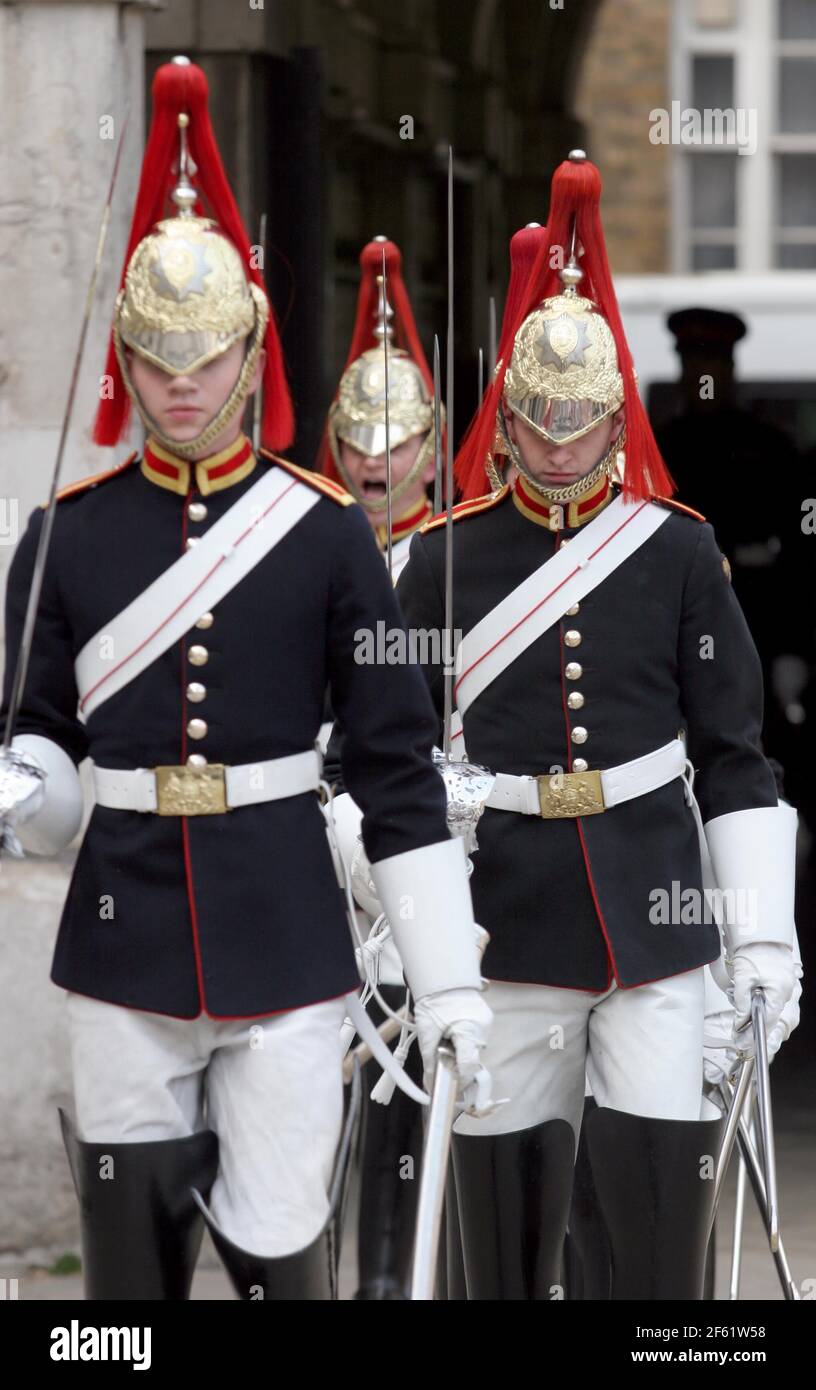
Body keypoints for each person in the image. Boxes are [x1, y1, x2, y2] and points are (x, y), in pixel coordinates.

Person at [0, 57, 491, 1302]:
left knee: (283, 1250)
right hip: (123, 934)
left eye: (206, 355)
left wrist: (444, 976)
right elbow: (37, 730)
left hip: (285, 932)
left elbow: (393, 765)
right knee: (129, 1275)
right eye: (157, 355)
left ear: (250, 349)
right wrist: (27, 789)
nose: (181, 381)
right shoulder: (66, 532)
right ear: (127, 355)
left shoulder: (324, 534)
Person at [394, 151, 799, 1300]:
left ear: (616, 417)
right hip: (507, 918)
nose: (559, 442)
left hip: (652, 913)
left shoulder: (674, 550)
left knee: (657, 1224)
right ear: (508, 418)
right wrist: (415, 936)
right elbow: (397, 762)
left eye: (581, 422)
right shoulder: (445, 558)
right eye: (539, 419)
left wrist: (761, 935)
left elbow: (732, 757)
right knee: (507, 1238)